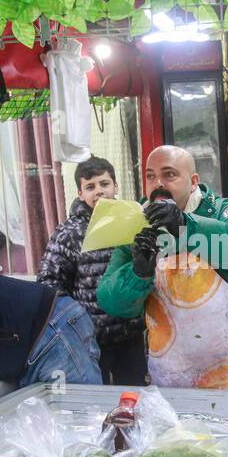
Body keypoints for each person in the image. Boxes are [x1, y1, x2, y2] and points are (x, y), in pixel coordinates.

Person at [98, 145, 228, 392]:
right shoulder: (135, 225)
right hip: (175, 374)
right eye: (151, 176)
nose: (158, 183)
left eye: (169, 174)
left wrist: (188, 225)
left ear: (193, 181)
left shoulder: (220, 210)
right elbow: (110, 301)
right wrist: (137, 274)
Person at [37, 156, 147, 386]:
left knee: (136, 397)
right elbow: (49, 284)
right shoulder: (68, 233)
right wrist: (76, 318)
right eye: (90, 187)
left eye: (104, 184)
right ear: (80, 193)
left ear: (115, 186)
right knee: (98, 398)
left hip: (131, 331)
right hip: (90, 337)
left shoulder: (134, 221)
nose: (99, 191)